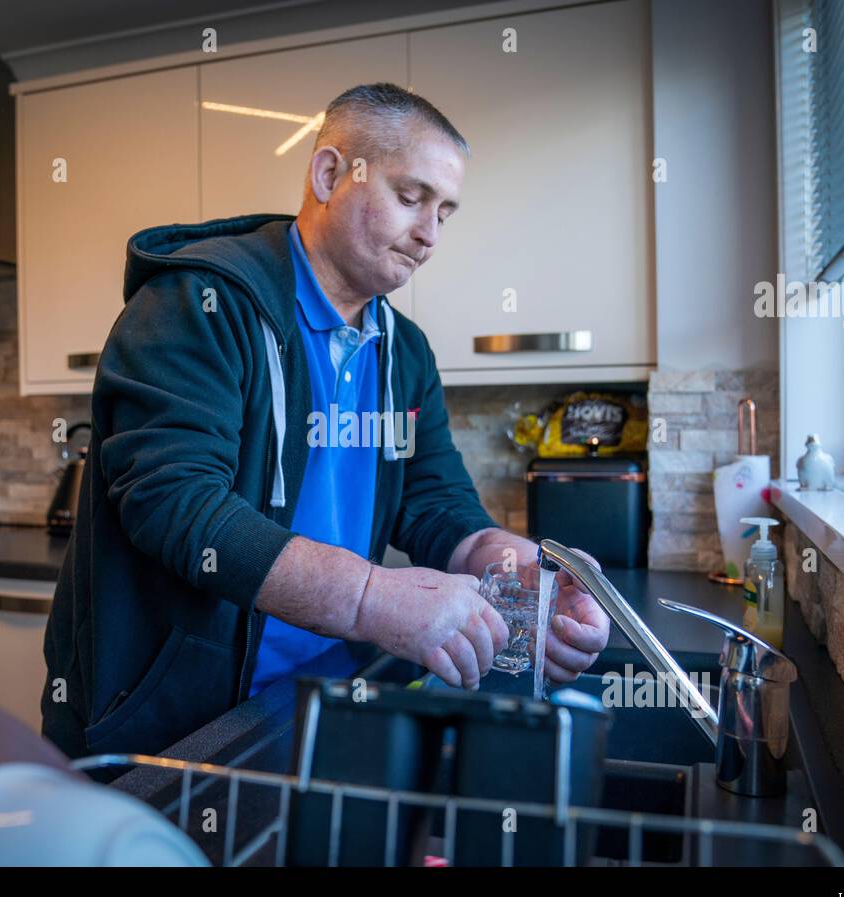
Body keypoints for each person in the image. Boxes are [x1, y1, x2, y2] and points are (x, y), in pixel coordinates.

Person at [41, 82, 610, 759]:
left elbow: (432, 502)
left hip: (318, 703)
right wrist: (372, 598)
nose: (429, 234)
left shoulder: (404, 351)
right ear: (330, 174)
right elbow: (175, 504)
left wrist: (511, 567)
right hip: (175, 719)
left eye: (445, 212)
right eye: (410, 198)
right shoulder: (197, 305)